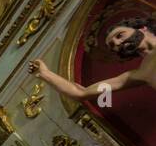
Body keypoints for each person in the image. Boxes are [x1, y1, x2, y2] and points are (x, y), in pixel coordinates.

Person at [28, 15, 156, 102]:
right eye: (112, 45)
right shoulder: (139, 74)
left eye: (119, 35)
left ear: (142, 28)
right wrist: (44, 73)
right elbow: (81, 93)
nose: (117, 43)